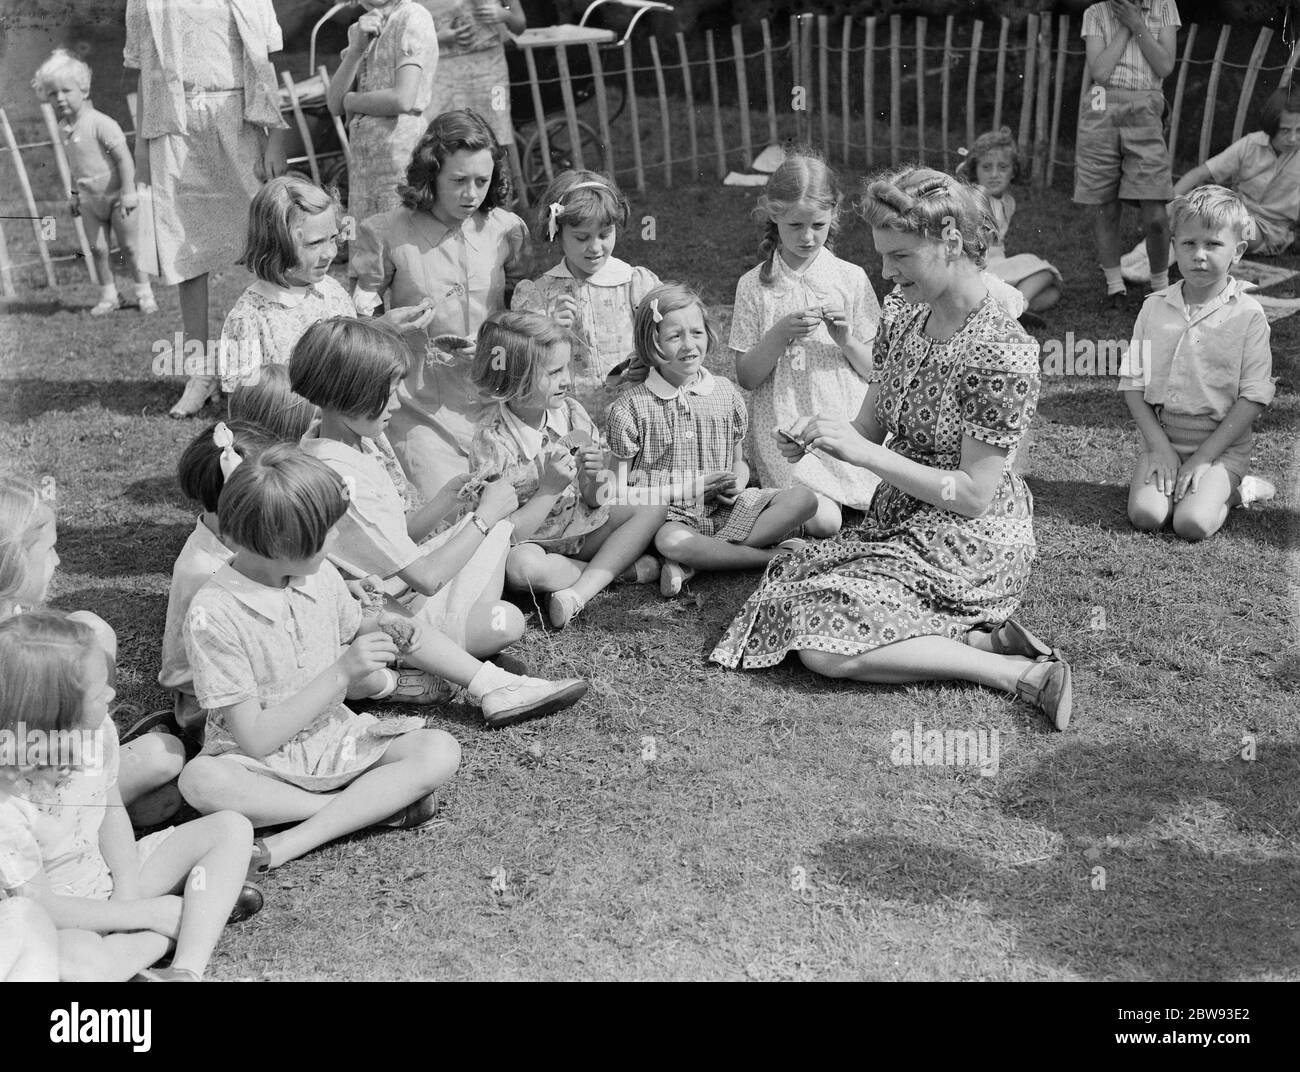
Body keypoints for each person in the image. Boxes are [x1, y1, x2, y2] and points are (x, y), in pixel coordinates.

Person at [711, 168, 1074, 732]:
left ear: (950, 240)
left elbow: (975, 495)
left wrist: (862, 456)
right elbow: (871, 424)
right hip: (903, 521)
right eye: (882, 256)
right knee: (801, 598)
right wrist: (820, 432)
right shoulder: (905, 315)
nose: (886, 272)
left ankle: (1014, 674)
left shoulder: (1004, 352)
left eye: (901, 256)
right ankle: (972, 635)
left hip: (970, 541)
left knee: (822, 647)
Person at [175, 447, 583, 878]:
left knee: (439, 750)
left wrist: (379, 625)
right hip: (258, 766)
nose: (336, 540)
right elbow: (255, 739)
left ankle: (295, 836)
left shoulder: (318, 575)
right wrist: (343, 672)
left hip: (335, 742)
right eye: (327, 533)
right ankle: (352, 811)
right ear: (281, 546)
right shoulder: (214, 613)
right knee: (200, 780)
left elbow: (357, 627)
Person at [0, 610, 261, 982]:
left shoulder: (98, 732)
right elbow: (39, 904)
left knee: (230, 828)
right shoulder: (6, 800)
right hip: (60, 917)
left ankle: (186, 968)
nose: (111, 693)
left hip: (110, 879)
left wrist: (128, 894)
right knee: (76, 966)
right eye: (98, 689)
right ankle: (192, 916)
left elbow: (111, 810)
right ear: (55, 710)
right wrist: (146, 914)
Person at [290, 317, 530, 660]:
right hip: (388, 609)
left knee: (498, 531)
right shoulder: (340, 478)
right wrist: (484, 517)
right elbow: (427, 579)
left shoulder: (354, 440)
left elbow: (394, 538)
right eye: (387, 396)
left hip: (400, 588)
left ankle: (456, 639)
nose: (398, 405)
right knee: (505, 621)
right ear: (350, 395)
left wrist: (448, 498)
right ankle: (440, 652)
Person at [124, 0, 289, 418]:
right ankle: (199, 372)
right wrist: (143, 150)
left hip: (238, 118)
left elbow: (263, 64)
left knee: (262, 243)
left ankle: (262, 368)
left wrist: (277, 136)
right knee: (187, 248)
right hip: (174, 126)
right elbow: (146, 72)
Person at [352, 110, 530, 497]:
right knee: (447, 510)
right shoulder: (386, 233)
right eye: (458, 180)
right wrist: (385, 327)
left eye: (482, 181)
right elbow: (357, 318)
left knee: (520, 505)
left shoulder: (506, 229)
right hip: (417, 408)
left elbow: (522, 308)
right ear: (431, 174)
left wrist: (499, 340)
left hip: (497, 401)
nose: (471, 194)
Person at [606, 283, 818, 598]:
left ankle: (698, 561)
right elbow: (616, 492)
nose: (689, 345)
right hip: (670, 517)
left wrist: (738, 482)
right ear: (651, 344)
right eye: (674, 336)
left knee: (804, 500)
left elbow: (738, 462)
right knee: (670, 541)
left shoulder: (725, 392)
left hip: (724, 510)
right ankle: (774, 557)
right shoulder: (633, 405)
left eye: (697, 332)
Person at [0, 473, 185, 824]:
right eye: (49, 549)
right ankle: (101, 810)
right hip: (25, 793)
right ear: (15, 561)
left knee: (92, 630)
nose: (57, 562)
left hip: (60, 761)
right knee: (163, 757)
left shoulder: (16, 614)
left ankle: (105, 795)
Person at [467, 311, 665, 628]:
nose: (567, 380)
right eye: (555, 371)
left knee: (653, 506)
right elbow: (504, 535)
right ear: (516, 381)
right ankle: (615, 571)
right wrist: (548, 490)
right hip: (534, 547)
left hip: (584, 532)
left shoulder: (571, 413)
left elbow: (597, 499)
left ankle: (574, 589)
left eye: (567, 367)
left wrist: (594, 476)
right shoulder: (493, 443)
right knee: (523, 570)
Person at [730, 151, 882, 539]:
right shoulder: (754, 285)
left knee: (875, 496)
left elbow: (876, 370)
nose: (808, 236)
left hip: (843, 420)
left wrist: (846, 339)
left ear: (833, 215)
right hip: (785, 431)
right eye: (795, 225)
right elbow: (747, 376)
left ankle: (836, 492)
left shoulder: (850, 278)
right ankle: (756, 529)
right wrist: (779, 334)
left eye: (818, 224)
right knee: (824, 520)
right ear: (773, 215)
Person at [1120, 185, 1277, 540]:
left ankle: (1238, 490)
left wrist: (1204, 457)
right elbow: (1133, 383)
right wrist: (1159, 447)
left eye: (1213, 244)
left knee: (1191, 524)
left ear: (1237, 251)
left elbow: (1254, 397)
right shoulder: (1154, 307)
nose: (1199, 255)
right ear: (1174, 246)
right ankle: (1172, 477)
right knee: (1147, 515)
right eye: (1189, 244)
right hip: (1166, 439)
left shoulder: (1248, 315)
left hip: (1221, 448)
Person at [218, 175, 437, 393]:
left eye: (333, 238)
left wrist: (383, 328)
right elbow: (241, 407)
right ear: (275, 243)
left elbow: (349, 355)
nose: (331, 253)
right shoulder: (248, 319)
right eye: (314, 243)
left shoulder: (330, 290)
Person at [511, 169, 661, 399]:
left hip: (633, 406)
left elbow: (667, 336)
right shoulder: (540, 294)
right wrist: (547, 328)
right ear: (557, 233)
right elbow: (521, 362)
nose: (595, 247)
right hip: (570, 412)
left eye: (605, 234)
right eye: (582, 238)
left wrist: (648, 360)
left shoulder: (634, 284)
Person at [32, 49, 156, 316]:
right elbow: (76, 168)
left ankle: (144, 293)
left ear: (84, 89)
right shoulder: (65, 129)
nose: (60, 99)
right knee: (97, 248)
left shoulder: (101, 123)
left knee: (130, 247)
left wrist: (128, 192)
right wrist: (75, 194)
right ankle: (110, 296)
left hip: (117, 197)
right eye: (53, 93)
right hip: (90, 199)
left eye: (67, 90)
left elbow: (124, 159)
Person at [1074, 0, 1181, 309]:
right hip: (1101, 107)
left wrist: (1137, 23)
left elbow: (1164, 66)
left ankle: (1160, 287)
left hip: (1145, 106)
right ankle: (1114, 286)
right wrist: (1124, 24)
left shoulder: (1164, 7)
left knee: (1156, 213)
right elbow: (1101, 71)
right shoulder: (1095, 13)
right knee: (1105, 204)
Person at [326, 0, 439, 225]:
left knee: (399, 243)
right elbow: (334, 104)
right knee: (363, 246)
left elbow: (403, 98)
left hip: (400, 159)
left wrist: (352, 100)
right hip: (363, 167)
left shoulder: (412, 16)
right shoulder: (359, 29)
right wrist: (356, 50)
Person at [1173, 87, 1300, 256]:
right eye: (1285, 130)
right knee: (1198, 211)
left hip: (1269, 231)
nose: (1293, 138)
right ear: (1272, 124)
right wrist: (1169, 203)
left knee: (1231, 225)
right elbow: (1199, 173)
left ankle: (1180, 248)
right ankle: (1156, 252)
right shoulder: (1250, 144)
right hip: (1234, 215)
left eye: (1299, 130)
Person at [956, 128, 1062, 316]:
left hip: (998, 264)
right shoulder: (972, 200)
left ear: (1013, 171)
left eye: (1002, 167)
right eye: (986, 167)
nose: (994, 174)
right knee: (1041, 269)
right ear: (975, 170)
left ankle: (1006, 308)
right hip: (977, 267)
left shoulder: (1008, 202)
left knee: (1052, 293)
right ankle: (1014, 309)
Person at [421, 0, 526, 149]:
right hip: (442, 72)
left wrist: (505, 15)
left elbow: (520, 25)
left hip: (492, 70)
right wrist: (438, 38)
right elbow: (406, 35)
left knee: (496, 130)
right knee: (445, 136)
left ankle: (496, 171)